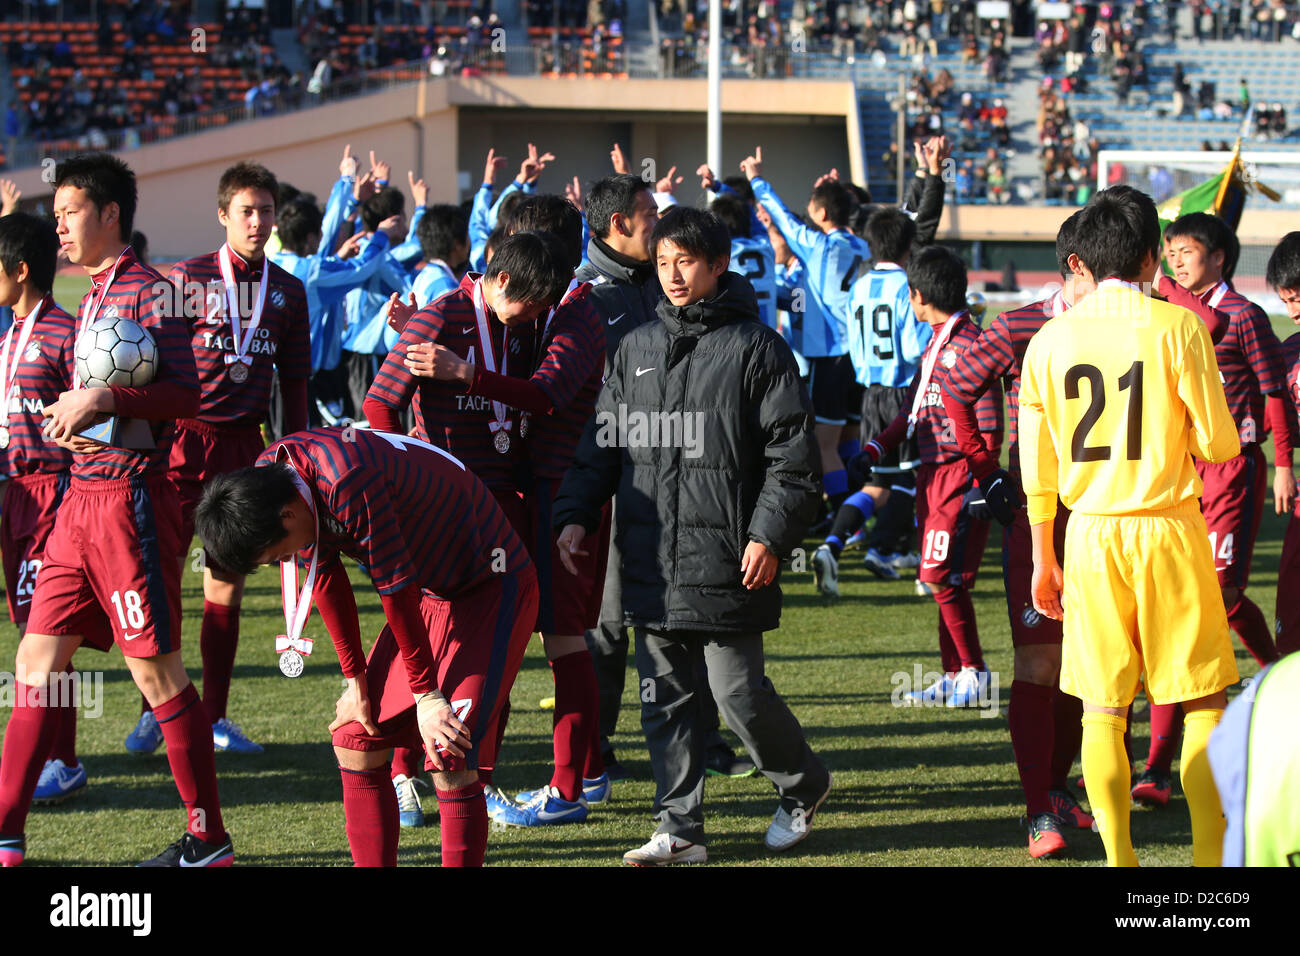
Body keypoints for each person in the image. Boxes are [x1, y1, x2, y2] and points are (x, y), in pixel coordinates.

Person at [553, 206, 831, 865]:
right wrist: (573, 513)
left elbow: (794, 458)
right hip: (650, 553)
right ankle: (680, 828)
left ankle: (804, 784)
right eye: (663, 263)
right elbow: (603, 445)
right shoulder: (636, 347)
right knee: (665, 700)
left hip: (729, 556)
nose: (674, 275)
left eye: (686, 262)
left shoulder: (758, 349)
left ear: (716, 265)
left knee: (737, 696)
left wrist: (767, 534)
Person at [0, 153, 231, 867]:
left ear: (108, 216)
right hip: (77, 499)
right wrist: (77, 418)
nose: (58, 224)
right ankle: (7, 831)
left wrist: (102, 399)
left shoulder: (152, 293)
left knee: (156, 673)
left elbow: (189, 398)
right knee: (36, 661)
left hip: (127, 502)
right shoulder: (92, 291)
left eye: (68, 210)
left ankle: (207, 837)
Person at [1019, 185, 1240, 867]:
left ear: (1082, 260)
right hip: (1168, 526)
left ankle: (1122, 863)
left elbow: (1038, 473)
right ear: (1151, 259)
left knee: (1103, 710)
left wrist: (1042, 559)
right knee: (1202, 697)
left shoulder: (1048, 341)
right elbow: (1222, 445)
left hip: (1088, 536)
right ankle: (1207, 864)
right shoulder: (1179, 329)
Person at [195, 427, 538, 867]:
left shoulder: (345, 481)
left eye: (276, 555)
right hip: (432, 594)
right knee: (354, 737)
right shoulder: (272, 474)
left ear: (286, 516)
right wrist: (355, 683)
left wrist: (428, 696)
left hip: (492, 586)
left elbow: (395, 588)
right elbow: (325, 576)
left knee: (448, 750)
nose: (282, 563)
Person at [397, 195, 611, 826]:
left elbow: (543, 395)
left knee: (562, 637)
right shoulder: (515, 315)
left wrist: (465, 373)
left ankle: (573, 783)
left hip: (567, 494)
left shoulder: (576, 314)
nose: (502, 260)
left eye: (517, 244)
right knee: (496, 642)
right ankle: (453, 774)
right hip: (518, 496)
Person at [119, 162, 312, 757]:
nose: (258, 222)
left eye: (267, 211)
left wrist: (295, 458)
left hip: (243, 450)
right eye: (247, 211)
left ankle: (218, 717)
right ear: (224, 215)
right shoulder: (185, 279)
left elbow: (296, 385)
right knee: (162, 582)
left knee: (224, 585)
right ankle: (160, 707)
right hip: (179, 442)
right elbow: (145, 370)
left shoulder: (288, 289)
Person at [1138, 211, 1287, 807]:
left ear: (1220, 258)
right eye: (1169, 252)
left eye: (1186, 251)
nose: (1175, 261)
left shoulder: (1243, 316)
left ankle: (1277, 677)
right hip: (1185, 472)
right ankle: (1156, 766)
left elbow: (1272, 390)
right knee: (1180, 608)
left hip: (1233, 468)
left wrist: (1281, 464)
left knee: (1217, 596)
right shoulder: (1171, 316)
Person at [851, 245, 1001, 708]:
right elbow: (914, 407)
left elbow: (991, 421)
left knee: (938, 576)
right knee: (943, 579)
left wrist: (983, 479)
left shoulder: (969, 345)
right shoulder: (935, 344)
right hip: (932, 474)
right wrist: (881, 443)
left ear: (917, 296)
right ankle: (954, 675)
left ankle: (975, 673)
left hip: (959, 474)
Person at [743, 146, 872, 524]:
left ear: (819, 213)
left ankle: (845, 520)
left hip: (828, 356)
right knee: (849, 438)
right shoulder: (863, 245)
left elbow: (782, 217)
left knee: (823, 443)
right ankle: (857, 510)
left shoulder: (817, 245)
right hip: (859, 357)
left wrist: (756, 179)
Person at [0, 213, 82, 805]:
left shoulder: (65, 334)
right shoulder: (7, 337)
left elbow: (87, 420)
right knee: (31, 635)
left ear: (20, 270)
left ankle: (63, 758)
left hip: (53, 495)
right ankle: (57, 755)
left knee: (45, 634)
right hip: (14, 496)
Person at [812, 206, 931, 597]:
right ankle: (882, 550)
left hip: (869, 396)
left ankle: (832, 545)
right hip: (901, 393)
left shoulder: (860, 285)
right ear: (909, 246)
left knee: (879, 483)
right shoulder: (906, 286)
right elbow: (914, 347)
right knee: (913, 478)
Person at [1264, 230, 1300, 656]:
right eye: (1286, 300)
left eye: (1298, 299)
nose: (1292, 312)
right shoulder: (1289, 353)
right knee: (1290, 614)